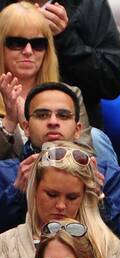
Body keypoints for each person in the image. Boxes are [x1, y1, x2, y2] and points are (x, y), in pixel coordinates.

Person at [0, 130, 120, 258]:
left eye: (72, 197)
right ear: (34, 190)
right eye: (52, 194)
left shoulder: (106, 245)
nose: (61, 205)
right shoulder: (5, 244)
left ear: (84, 196)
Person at [0, 3, 104, 159]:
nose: (28, 51)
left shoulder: (69, 94)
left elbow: (86, 159)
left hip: (63, 180)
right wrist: (9, 122)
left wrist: (34, 127)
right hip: (6, 182)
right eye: (17, 43)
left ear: (47, 50)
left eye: (37, 44)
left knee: (97, 137)